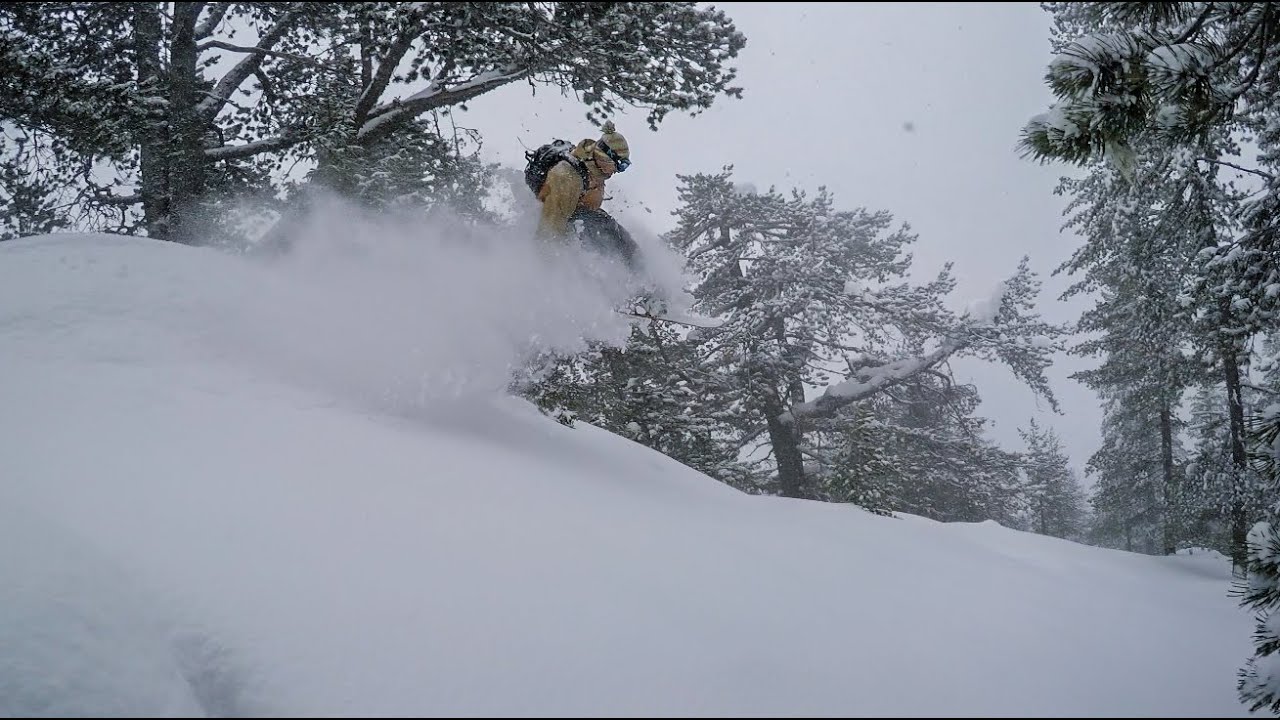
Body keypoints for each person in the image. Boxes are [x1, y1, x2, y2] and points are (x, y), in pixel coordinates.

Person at [534, 121, 639, 268]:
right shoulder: (566, 177)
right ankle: (632, 280)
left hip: (579, 217)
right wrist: (548, 271)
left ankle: (643, 277)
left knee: (618, 235)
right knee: (606, 231)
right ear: (606, 157)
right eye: (621, 165)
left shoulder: (596, 169)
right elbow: (549, 228)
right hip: (567, 222)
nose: (618, 171)